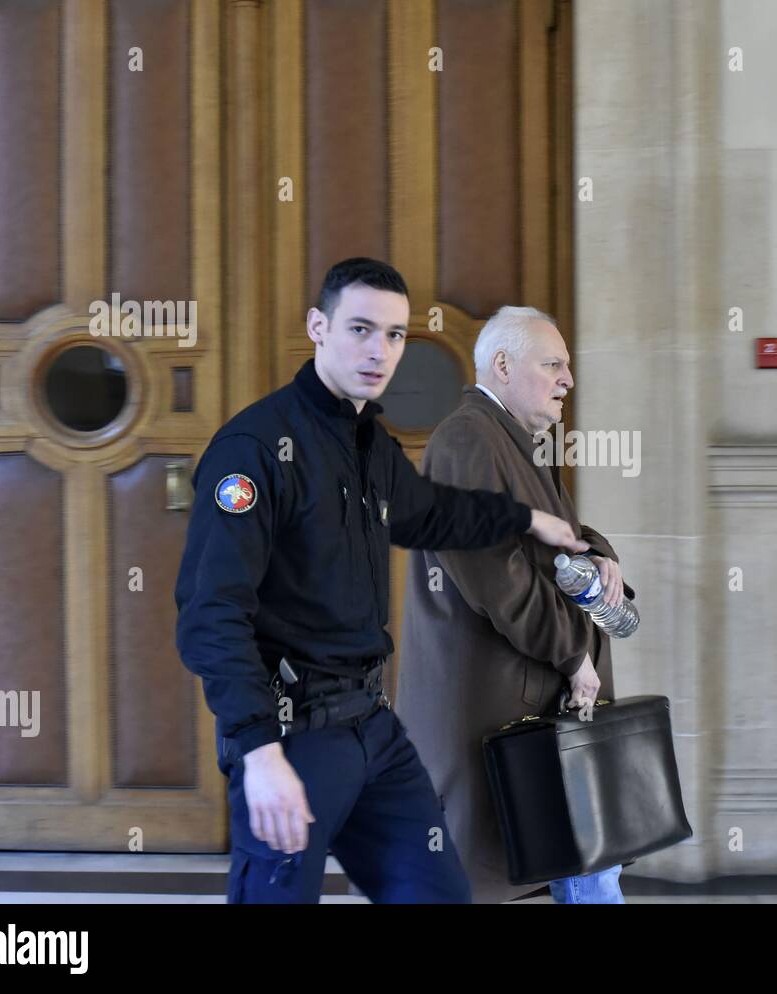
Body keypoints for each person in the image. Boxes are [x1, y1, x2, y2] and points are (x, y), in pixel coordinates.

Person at [174, 260, 588, 904]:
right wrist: (258, 752)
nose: (380, 351)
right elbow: (210, 613)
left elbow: (432, 513)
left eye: (395, 335)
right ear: (318, 326)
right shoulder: (253, 449)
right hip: (292, 737)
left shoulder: (369, 442)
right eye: (362, 329)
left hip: (373, 730)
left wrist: (529, 519)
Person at [398, 305, 631, 904]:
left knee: (583, 869)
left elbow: (553, 538)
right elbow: (496, 575)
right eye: (553, 364)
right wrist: (575, 654)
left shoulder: (511, 439)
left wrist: (601, 553)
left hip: (531, 707)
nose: (567, 381)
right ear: (502, 365)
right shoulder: (468, 437)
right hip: (501, 710)